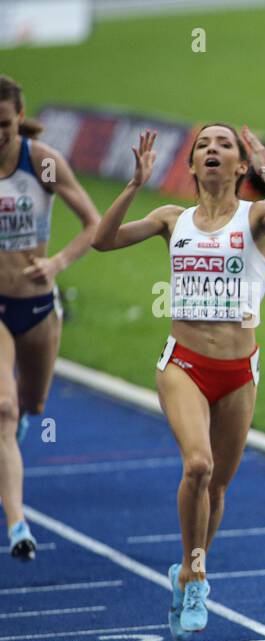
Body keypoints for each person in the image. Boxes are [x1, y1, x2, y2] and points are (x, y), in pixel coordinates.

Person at [92, 125, 265, 636]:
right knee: (197, 465)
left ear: (240, 165)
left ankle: (190, 567)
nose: (212, 150)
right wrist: (133, 186)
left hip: (239, 372)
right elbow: (102, 242)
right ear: (191, 166)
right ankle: (195, 577)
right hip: (184, 365)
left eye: (224, 145)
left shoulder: (256, 215)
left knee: (216, 488)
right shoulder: (172, 219)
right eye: (202, 146)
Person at [0, 75, 101, 559]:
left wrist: (58, 263)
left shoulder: (39, 163)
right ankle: (18, 525)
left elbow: (93, 223)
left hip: (37, 304)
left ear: (19, 118)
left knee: (32, 406)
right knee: (3, 408)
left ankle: (20, 424)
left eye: (3, 124)